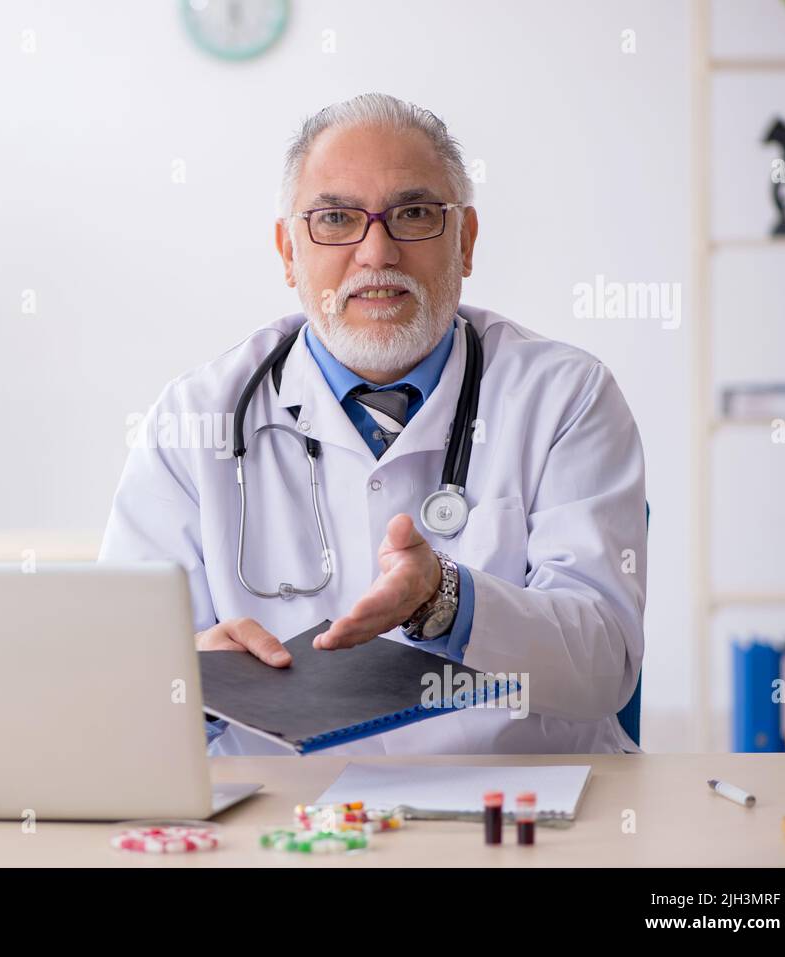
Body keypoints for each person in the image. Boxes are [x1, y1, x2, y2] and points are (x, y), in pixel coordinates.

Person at [100, 93, 646, 755]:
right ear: (287, 250)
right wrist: (190, 684)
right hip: (289, 825)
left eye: (414, 214)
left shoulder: (565, 396)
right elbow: (122, 687)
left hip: (521, 814)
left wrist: (446, 600)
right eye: (335, 218)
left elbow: (604, 662)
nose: (377, 251)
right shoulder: (193, 419)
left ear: (466, 240)